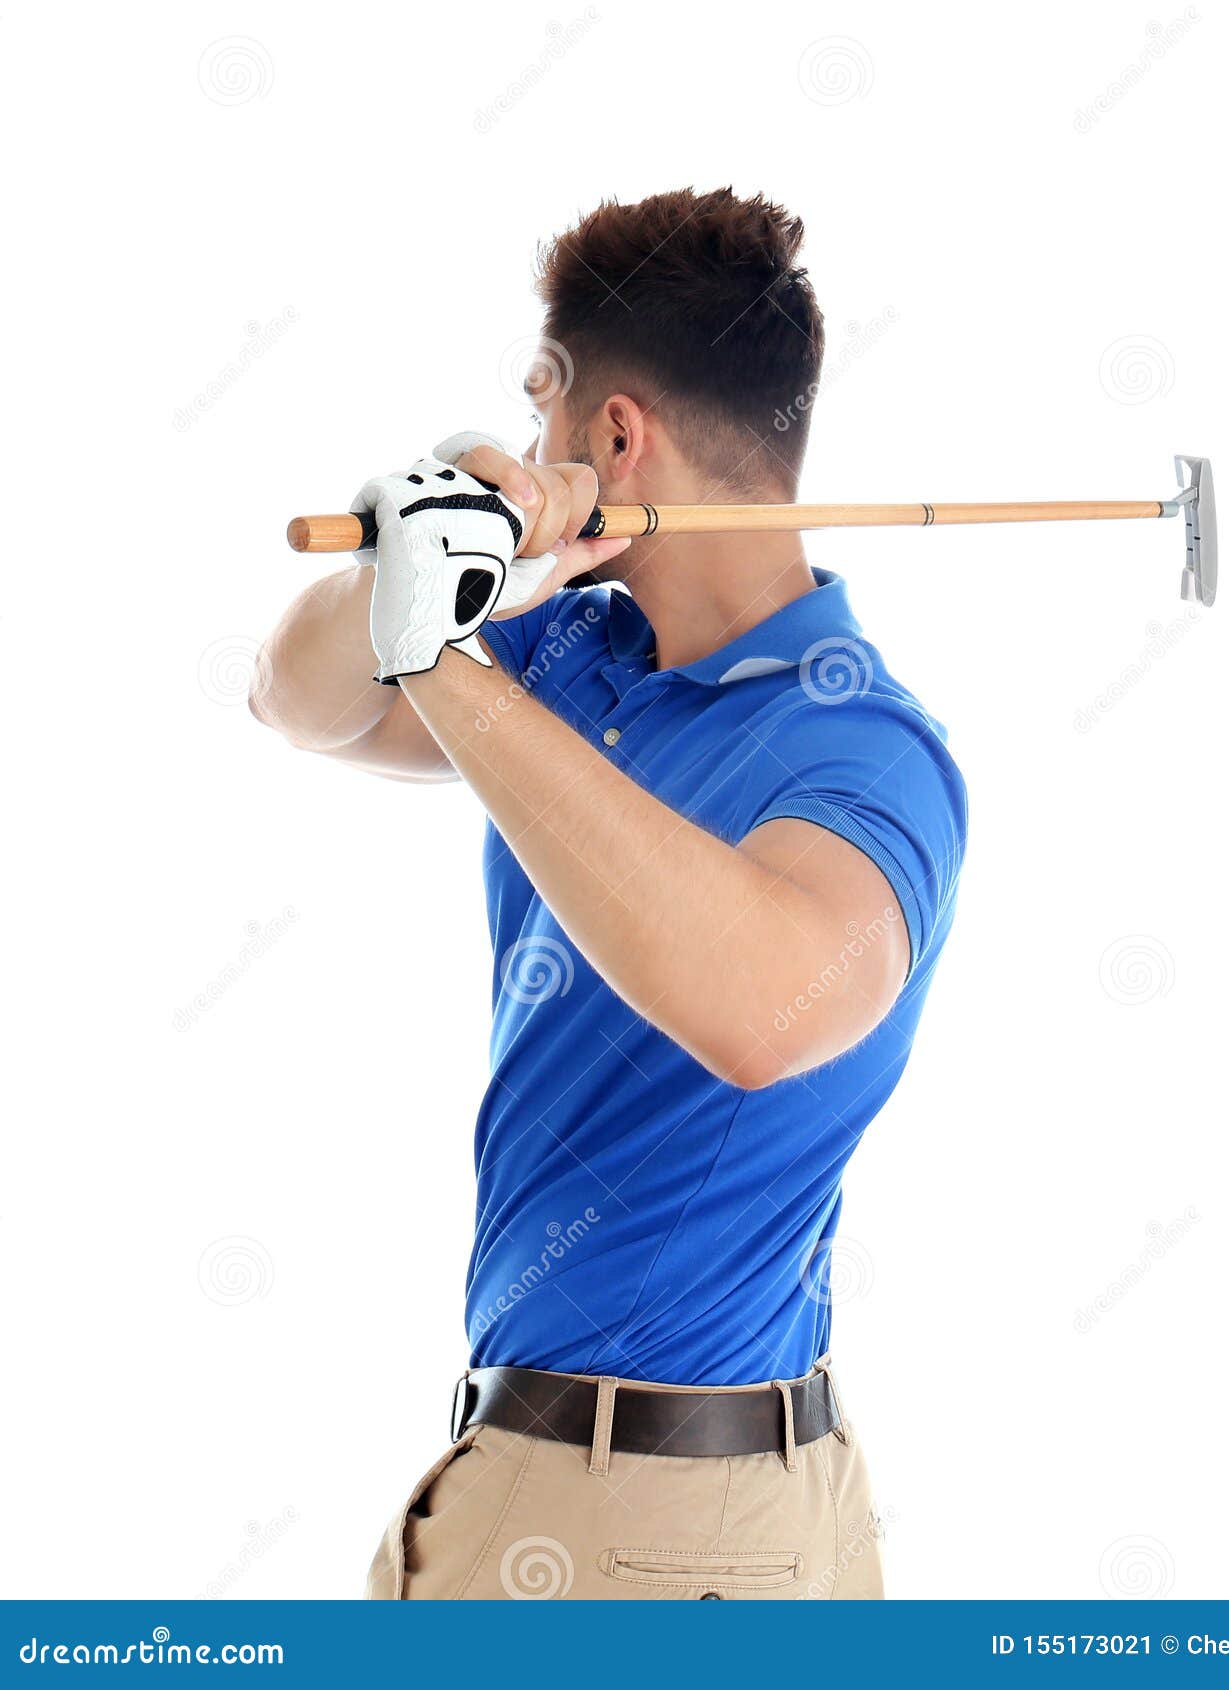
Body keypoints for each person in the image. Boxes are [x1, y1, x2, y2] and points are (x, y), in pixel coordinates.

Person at [250, 186, 967, 1601]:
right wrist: (431, 550)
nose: (531, 447)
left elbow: (765, 1008)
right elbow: (295, 698)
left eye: (538, 412)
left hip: (652, 1531)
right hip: (602, 1496)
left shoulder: (858, 742)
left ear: (616, 437)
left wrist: (437, 655)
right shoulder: (577, 655)